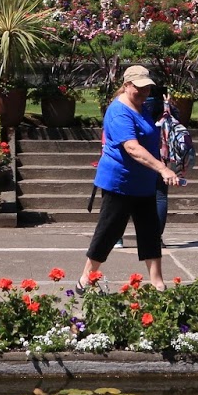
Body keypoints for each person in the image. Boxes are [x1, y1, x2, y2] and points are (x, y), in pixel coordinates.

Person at [77, 65, 179, 291]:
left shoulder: (140, 107)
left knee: (150, 233)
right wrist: (162, 169)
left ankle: (158, 283)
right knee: (109, 231)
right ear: (126, 85)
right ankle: (86, 278)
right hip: (120, 182)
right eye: (139, 88)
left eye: (147, 89)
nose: (144, 93)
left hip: (143, 183)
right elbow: (132, 148)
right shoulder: (119, 111)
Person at [155, 95, 193, 238]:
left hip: (141, 159)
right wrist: (167, 103)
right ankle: (156, 237)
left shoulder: (137, 107)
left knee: (127, 197)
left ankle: (117, 236)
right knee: (160, 197)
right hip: (163, 158)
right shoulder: (167, 113)